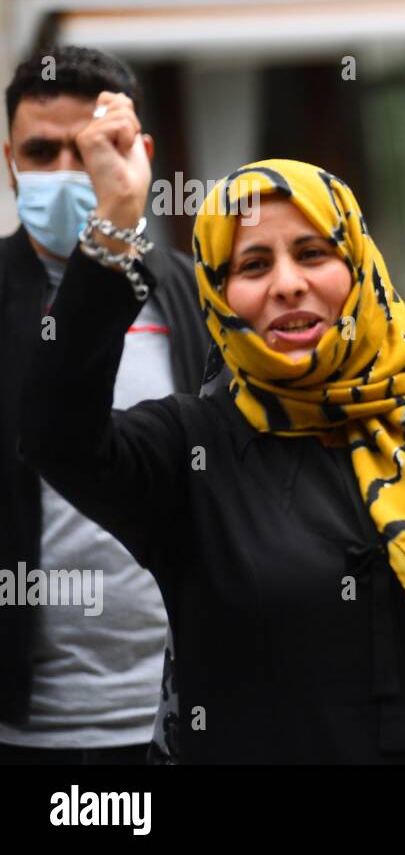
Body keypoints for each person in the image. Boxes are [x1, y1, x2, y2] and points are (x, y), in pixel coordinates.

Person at [19, 90, 405, 763]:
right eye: (253, 265)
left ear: (360, 267)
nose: (287, 283)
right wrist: (115, 221)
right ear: (220, 297)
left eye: (313, 253)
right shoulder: (187, 453)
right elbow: (56, 434)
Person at [0, 47, 207, 764]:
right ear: (9, 162)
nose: (65, 171)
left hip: (190, 706)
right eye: (41, 150)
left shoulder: (195, 292)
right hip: (32, 728)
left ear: (140, 154)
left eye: (92, 147)